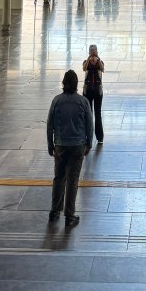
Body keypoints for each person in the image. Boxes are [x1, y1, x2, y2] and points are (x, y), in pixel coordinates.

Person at [46, 69, 93, 227]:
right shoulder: (83, 102)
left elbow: (50, 124)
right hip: (77, 145)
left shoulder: (56, 101)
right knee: (72, 180)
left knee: (59, 178)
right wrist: (89, 143)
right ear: (76, 84)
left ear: (63, 84)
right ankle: (69, 215)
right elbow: (89, 125)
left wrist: (50, 144)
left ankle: (54, 211)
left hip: (60, 144)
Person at [82, 45, 105, 144]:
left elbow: (102, 69)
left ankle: (100, 137)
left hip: (97, 90)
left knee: (98, 113)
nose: (92, 52)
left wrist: (98, 58)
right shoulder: (86, 62)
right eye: (91, 51)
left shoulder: (100, 62)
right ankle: (87, 136)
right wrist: (88, 58)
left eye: (94, 50)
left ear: (97, 51)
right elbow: (84, 68)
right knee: (88, 114)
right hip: (87, 91)